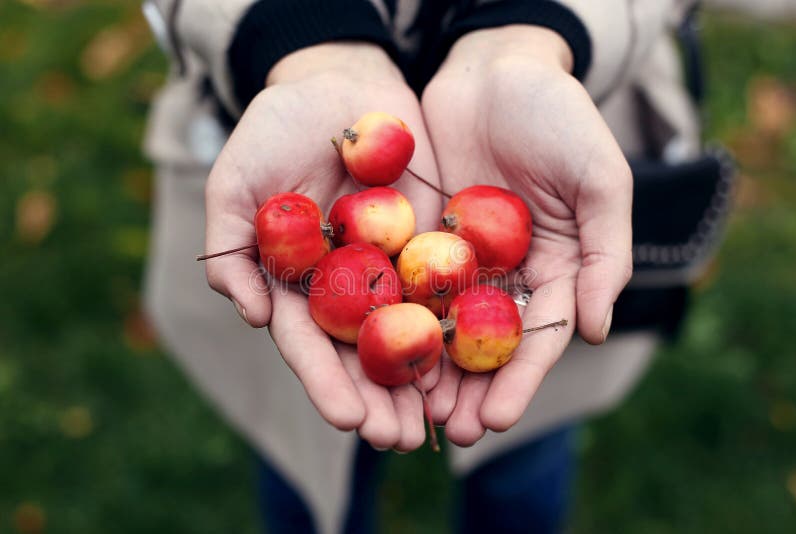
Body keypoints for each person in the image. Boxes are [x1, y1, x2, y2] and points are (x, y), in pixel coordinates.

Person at [140, 1, 723, 532]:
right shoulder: (361, 226)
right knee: (303, 458)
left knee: (524, 455)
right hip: (275, 123)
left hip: (559, 123)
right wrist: (297, 32)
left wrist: (533, 28)